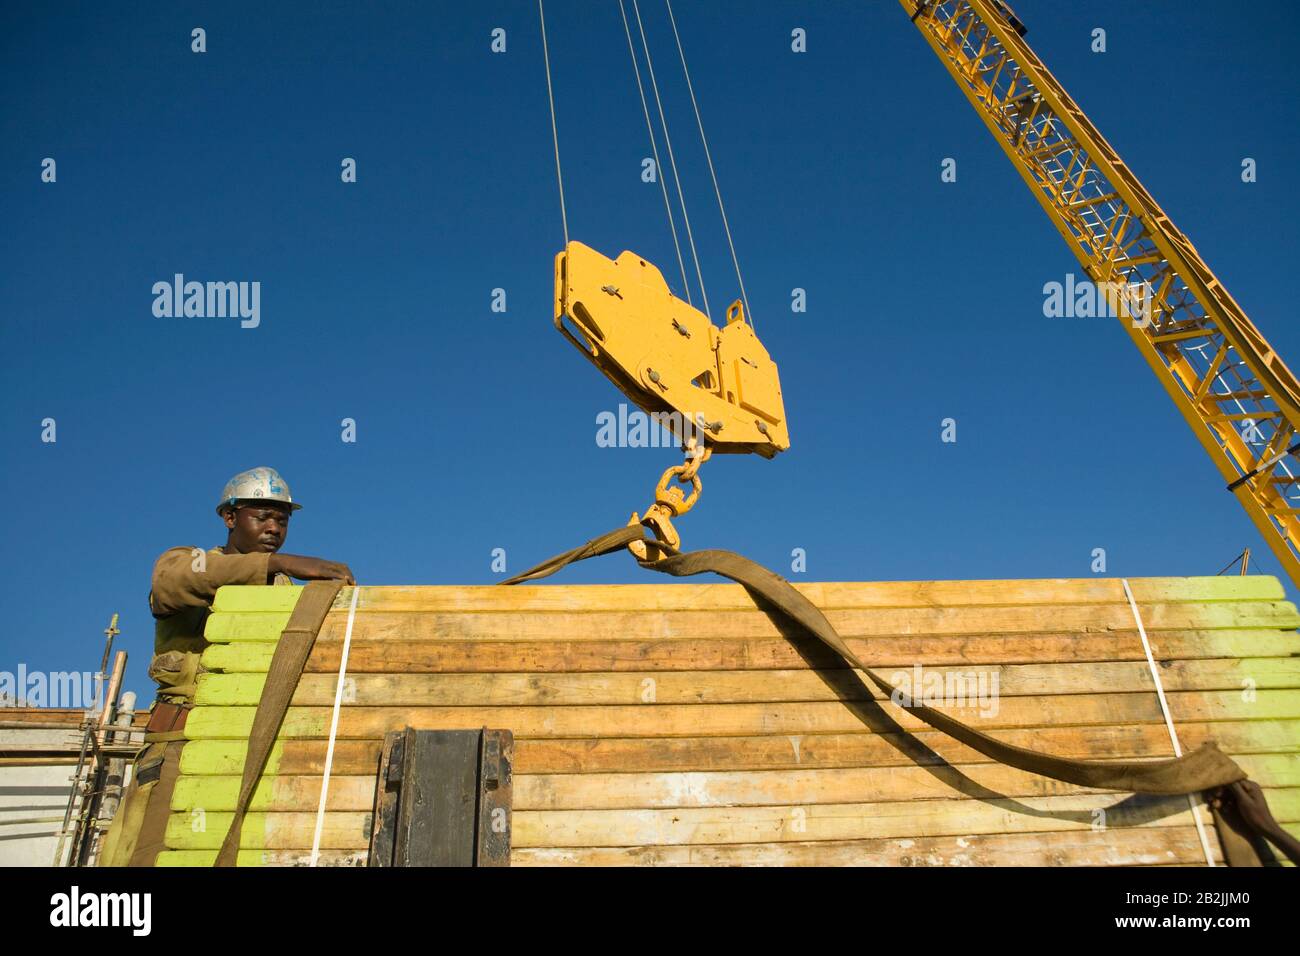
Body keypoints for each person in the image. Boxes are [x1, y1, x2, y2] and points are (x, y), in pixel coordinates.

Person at [99, 467, 353, 866]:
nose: (273, 527)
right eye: (262, 517)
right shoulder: (189, 563)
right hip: (181, 744)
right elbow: (171, 584)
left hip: (249, 744)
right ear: (229, 518)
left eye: (282, 520)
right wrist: (278, 563)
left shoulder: (285, 594)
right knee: (157, 850)